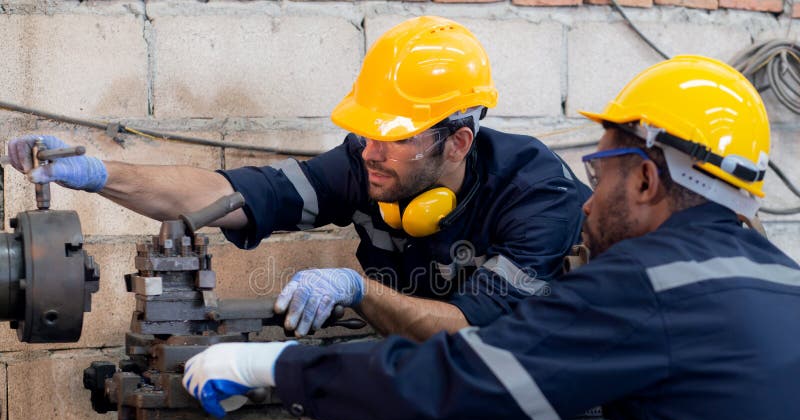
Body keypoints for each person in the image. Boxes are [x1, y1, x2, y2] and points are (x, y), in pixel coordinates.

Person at [181, 55, 800, 420]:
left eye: (599, 172)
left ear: (644, 178)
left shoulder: (649, 283)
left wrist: (270, 365)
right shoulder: (779, 279)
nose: (587, 200)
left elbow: (476, 380)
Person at [6, 16, 589, 341]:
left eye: (394, 136)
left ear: (457, 142)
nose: (370, 151)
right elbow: (231, 196)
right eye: (367, 133)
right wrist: (99, 173)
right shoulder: (368, 164)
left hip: (548, 397)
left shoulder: (539, 196)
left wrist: (357, 289)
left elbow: (465, 333)